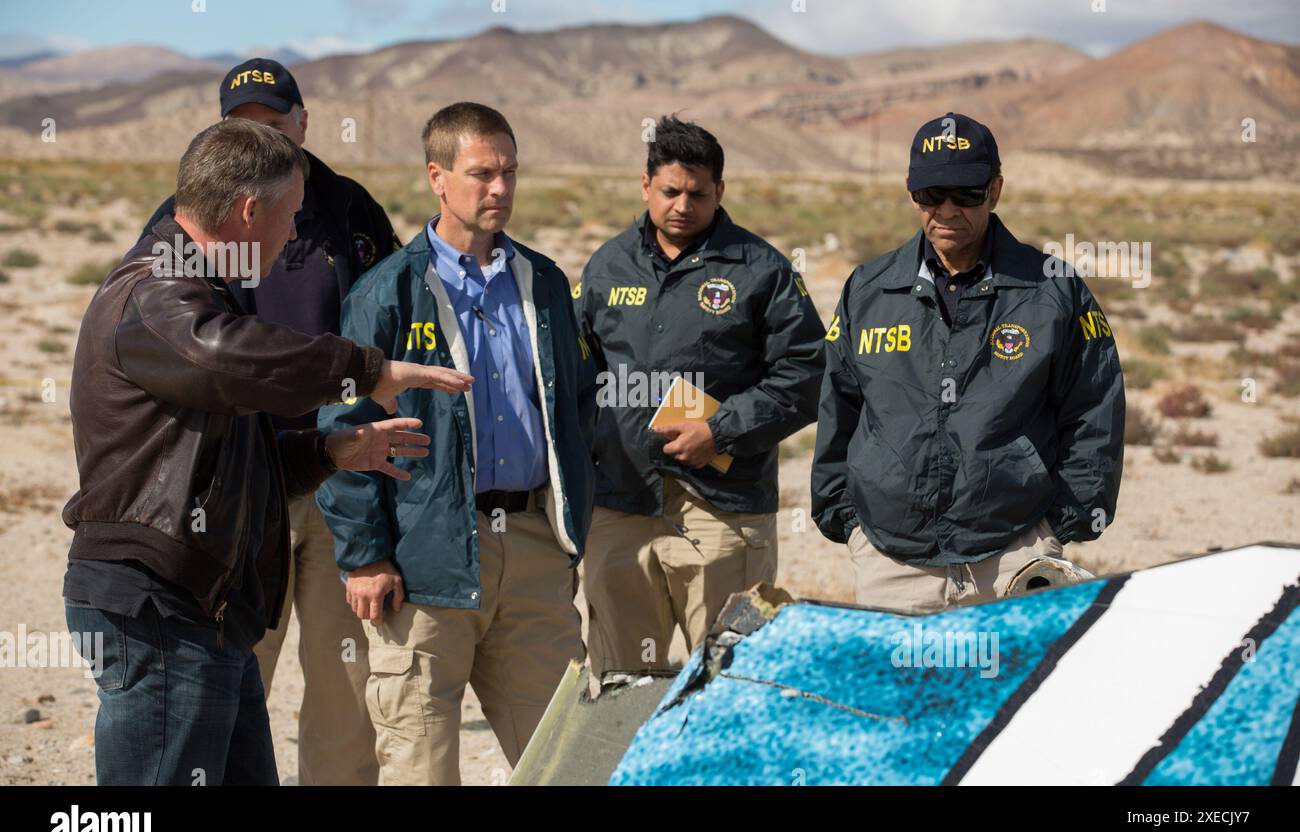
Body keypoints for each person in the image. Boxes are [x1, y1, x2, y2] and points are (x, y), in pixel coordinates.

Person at [62, 117, 472, 785]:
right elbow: (228, 356)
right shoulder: (156, 291)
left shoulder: (200, 291)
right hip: (160, 602)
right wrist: (366, 370)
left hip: (208, 610)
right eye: (290, 214)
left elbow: (229, 464)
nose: (293, 234)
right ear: (251, 210)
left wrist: (332, 450)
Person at [316, 102, 595, 785]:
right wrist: (365, 554)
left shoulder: (546, 283)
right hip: (424, 559)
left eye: (509, 172)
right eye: (482, 173)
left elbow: (576, 413)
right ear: (437, 178)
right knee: (421, 765)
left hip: (531, 551)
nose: (499, 188)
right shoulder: (388, 292)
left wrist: (569, 534)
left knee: (571, 762)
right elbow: (340, 428)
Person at [138, 57, 400, 785]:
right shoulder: (180, 220)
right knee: (229, 672)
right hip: (235, 482)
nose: (263, 146)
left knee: (345, 684)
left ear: (304, 122)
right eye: (243, 131)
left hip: (337, 479)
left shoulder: (351, 211)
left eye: (276, 127)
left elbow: (391, 327)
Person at [811, 111, 1125, 614]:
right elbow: (839, 406)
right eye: (931, 195)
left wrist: (1061, 523)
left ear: (995, 190)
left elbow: (1095, 409)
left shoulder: (1052, 289)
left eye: (966, 194)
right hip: (892, 566)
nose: (947, 210)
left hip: (1011, 559)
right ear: (911, 192)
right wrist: (846, 521)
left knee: (1015, 693)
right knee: (898, 694)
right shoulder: (868, 290)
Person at [574, 115, 825, 681]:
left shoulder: (762, 270)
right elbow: (576, 373)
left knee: (729, 682)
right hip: (621, 506)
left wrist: (724, 428)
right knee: (619, 683)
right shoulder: (607, 265)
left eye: (698, 193)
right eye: (670, 191)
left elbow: (809, 370)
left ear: (720, 192)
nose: (683, 205)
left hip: (720, 510)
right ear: (645, 187)